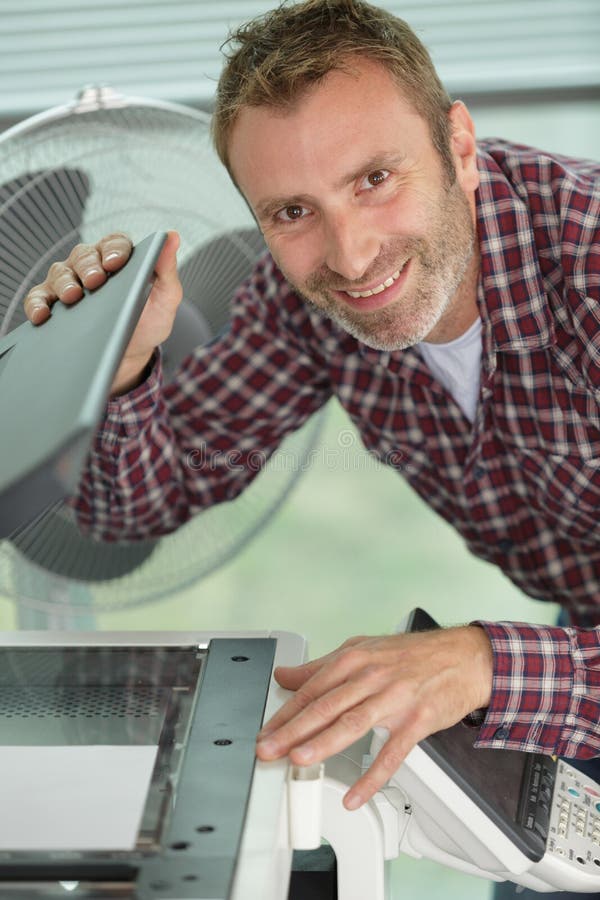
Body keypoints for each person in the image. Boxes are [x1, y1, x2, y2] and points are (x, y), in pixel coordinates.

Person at [22, 1, 600, 892]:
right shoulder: (302, 303)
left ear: (459, 146)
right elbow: (135, 505)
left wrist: (484, 661)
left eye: (375, 178)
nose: (352, 256)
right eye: (293, 210)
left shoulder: (587, 263)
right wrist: (125, 364)